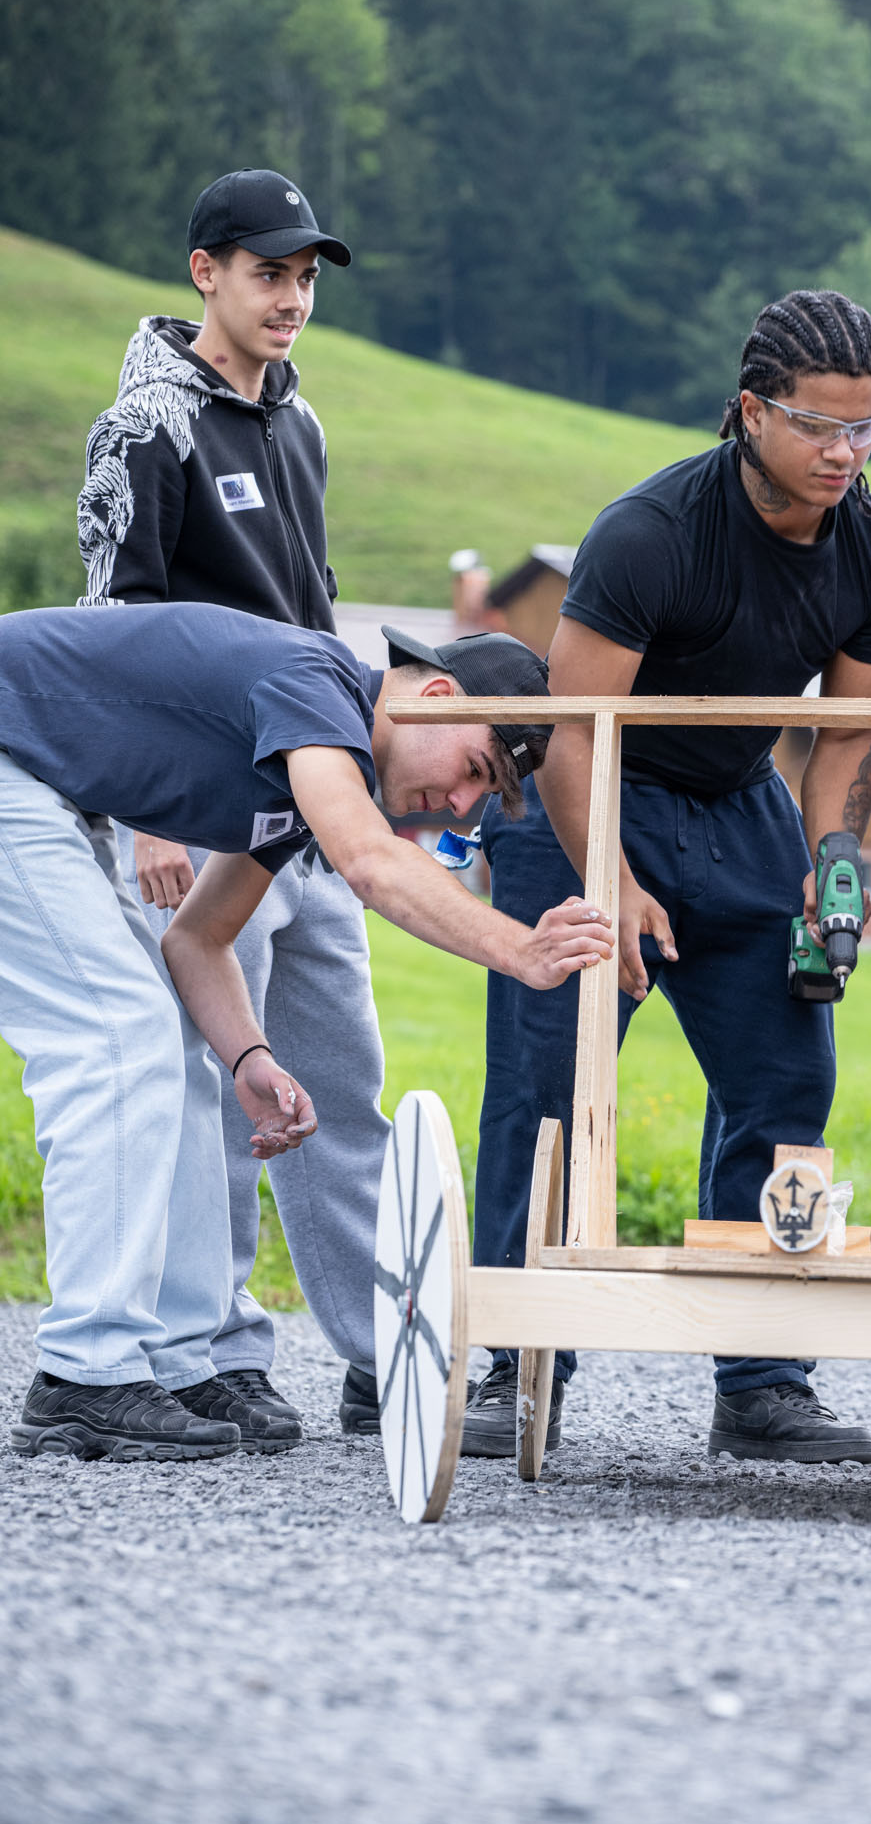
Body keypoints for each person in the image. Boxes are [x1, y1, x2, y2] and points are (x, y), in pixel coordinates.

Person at [465, 290, 871, 1465]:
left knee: (784, 1085)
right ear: (749, 411)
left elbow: (844, 744)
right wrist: (610, 879)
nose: (842, 453)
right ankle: (512, 1363)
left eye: (865, 429)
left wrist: (831, 860)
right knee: (546, 1089)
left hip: (739, 805)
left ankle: (761, 1381)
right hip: (590, 800)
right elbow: (572, 733)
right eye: (818, 426)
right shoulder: (653, 532)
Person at [2, 603, 612, 1463]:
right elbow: (369, 863)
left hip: (44, 788)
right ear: (433, 694)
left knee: (174, 1057)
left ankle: (172, 1365)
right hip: (10, 765)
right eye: (475, 768)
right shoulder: (316, 684)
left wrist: (249, 1057)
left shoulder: (298, 778)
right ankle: (82, 1376)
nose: (463, 804)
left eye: (483, 797)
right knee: (116, 1041)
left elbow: (198, 937)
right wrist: (523, 949)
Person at [76, 167, 385, 1442]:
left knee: (343, 1070)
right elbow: (113, 623)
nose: (291, 299)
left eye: (306, 277)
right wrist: (145, 814)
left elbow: (310, 614)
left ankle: (384, 1347)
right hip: (194, 801)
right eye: (270, 273)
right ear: (205, 269)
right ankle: (209, 1348)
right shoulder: (145, 425)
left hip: (304, 801)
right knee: (219, 1072)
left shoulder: (298, 425)